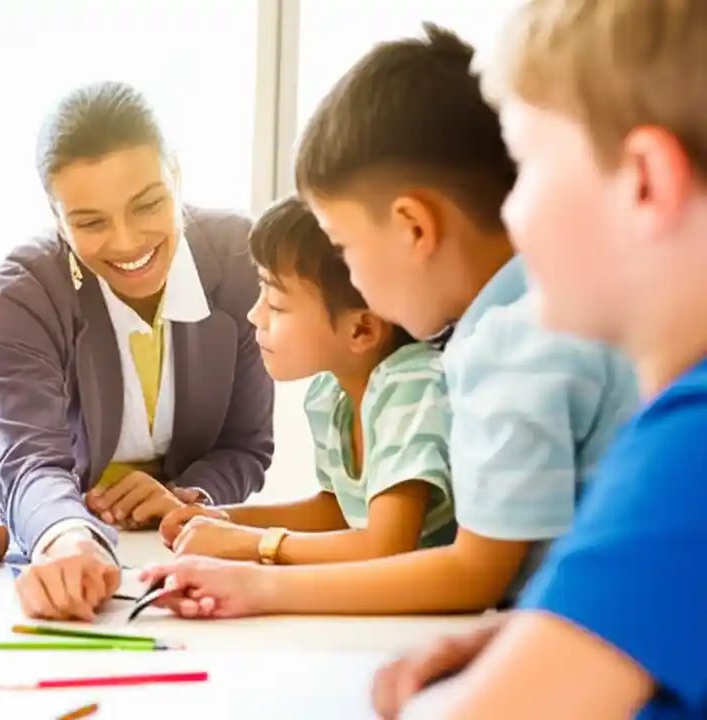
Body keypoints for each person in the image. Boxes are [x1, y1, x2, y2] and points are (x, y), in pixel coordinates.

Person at [139, 24, 637, 618]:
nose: (350, 273)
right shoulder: (558, 302)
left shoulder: (510, 340)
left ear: (413, 228)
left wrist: (256, 581)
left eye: (343, 245)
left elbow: (471, 573)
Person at [373, 2, 707, 718]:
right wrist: (546, 635)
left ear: (645, 180)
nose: (512, 216)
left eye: (524, 167)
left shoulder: (691, 446)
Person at [0, 81, 274, 621]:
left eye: (149, 203)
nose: (128, 241)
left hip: (146, 540)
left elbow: (246, 446)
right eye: (90, 222)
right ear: (56, 215)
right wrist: (65, 537)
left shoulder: (239, 257)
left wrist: (187, 496)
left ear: (175, 175)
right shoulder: (24, 289)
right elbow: (34, 462)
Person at [160, 196, 453, 564]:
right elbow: (338, 510)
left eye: (278, 305)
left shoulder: (413, 387)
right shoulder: (330, 393)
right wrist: (222, 519)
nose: (254, 315)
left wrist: (249, 544)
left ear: (361, 329)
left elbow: (386, 546)